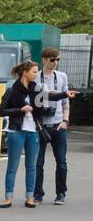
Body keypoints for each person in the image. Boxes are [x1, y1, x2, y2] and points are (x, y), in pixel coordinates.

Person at [34, 47, 78, 204]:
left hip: (58, 124)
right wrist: (47, 93)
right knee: (38, 163)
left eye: (58, 60)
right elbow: (34, 101)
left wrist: (65, 121)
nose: (55, 63)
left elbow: (65, 101)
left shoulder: (62, 77)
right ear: (44, 59)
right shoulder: (35, 77)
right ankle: (38, 194)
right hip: (41, 125)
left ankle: (61, 193)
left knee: (61, 161)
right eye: (52, 60)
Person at [0, 61, 43, 208]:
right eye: (34, 72)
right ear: (25, 72)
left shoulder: (37, 90)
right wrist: (20, 109)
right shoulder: (12, 90)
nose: (36, 74)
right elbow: (1, 111)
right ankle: (8, 197)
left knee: (31, 166)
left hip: (33, 132)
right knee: (12, 166)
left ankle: (30, 197)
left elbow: (42, 109)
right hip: (16, 131)